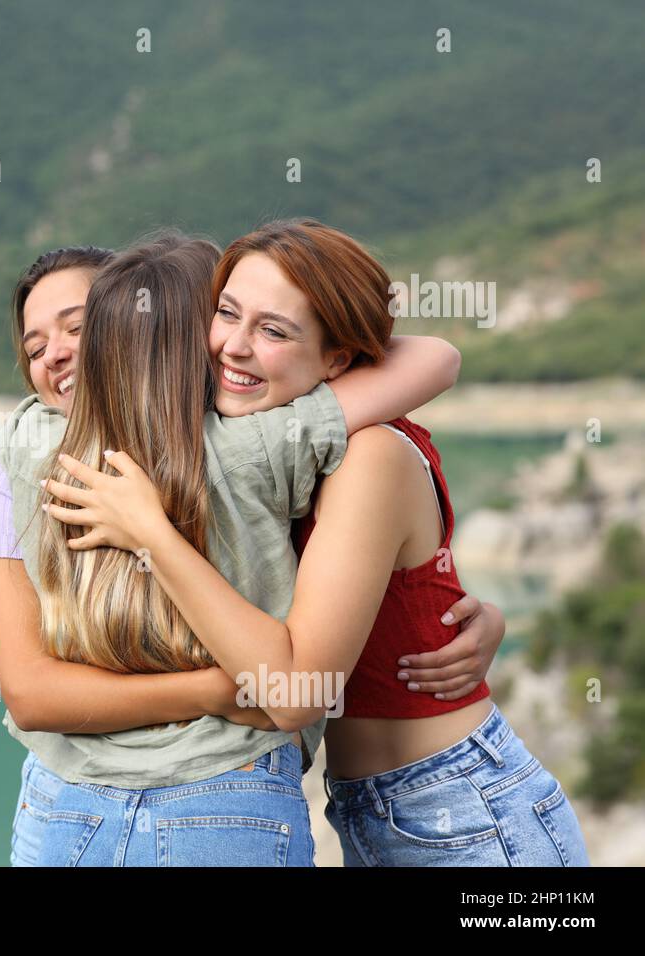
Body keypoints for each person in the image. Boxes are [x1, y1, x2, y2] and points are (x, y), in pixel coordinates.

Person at [43, 219, 588, 866]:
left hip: (458, 809)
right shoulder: (255, 441)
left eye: (274, 330)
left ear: (338, 359)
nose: (233, 348)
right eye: (226, 314)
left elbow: (295, 692)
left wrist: (152, 535)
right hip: (373, 808)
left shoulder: (369, 454)